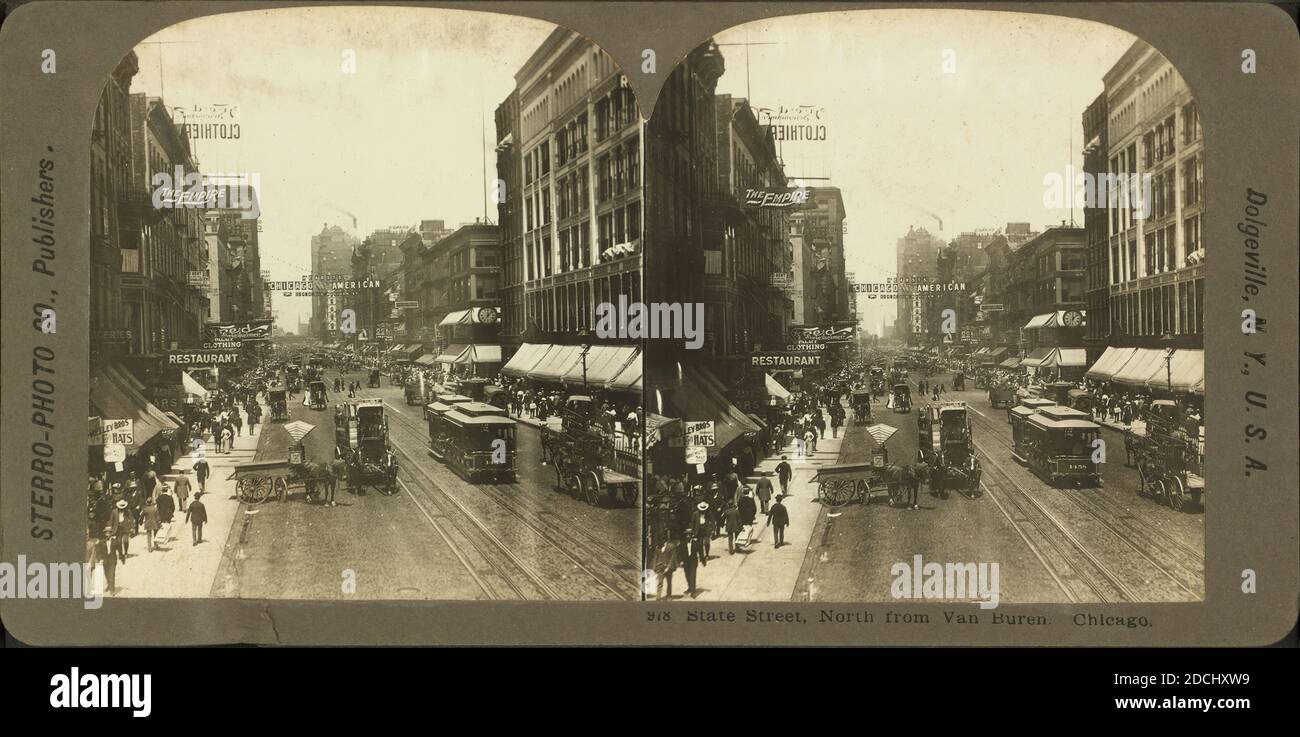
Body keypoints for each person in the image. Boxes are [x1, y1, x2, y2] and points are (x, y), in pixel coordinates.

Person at [109, 499, 134, 564]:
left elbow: (131, 519)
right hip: (117, 529)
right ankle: (120, 554)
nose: (121, 508)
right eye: (120, 507)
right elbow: (111, 521)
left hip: (125, 528)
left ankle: (125, 552)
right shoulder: (114, 511)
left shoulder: (128, 511)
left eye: (123, 507)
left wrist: (132, 528)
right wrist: (110, 529)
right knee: (119, 542)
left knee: (126, 541)